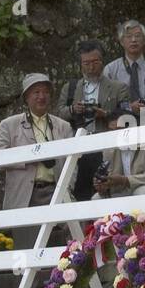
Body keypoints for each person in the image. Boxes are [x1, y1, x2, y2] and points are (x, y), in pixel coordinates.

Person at [0, 74, 74, 248]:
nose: (41, 96)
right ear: (26, 97)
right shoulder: (9, 124)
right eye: (36, 92)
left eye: (46, 92)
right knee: (26, 249)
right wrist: (30, 158)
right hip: (26, 193)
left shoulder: (63, 126)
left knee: (74, 237)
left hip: (57, 189)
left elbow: (73, 161)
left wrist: (69, 185)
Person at [56, 41, 127, 201]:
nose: (91, 67)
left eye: (95, 62)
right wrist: (73, 110)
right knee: (79, 188)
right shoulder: (71, 88)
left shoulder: (118, 87)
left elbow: (127, 113)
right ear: (80, 64)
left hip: (106, 141)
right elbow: (59, 114)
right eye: (86, 63)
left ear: (103, 61)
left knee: (103, 186)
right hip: (78, 141)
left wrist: (106, 114)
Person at [93, 104, 145, 198]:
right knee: (97, 198)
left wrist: (125, 180)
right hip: (124, 190)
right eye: (111, 131)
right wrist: (104, 185)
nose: (115, 135)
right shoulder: (109, 149)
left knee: (142, 192)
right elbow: (111, 177)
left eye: (119, 130)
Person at [102, 21, 145, 123]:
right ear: (121, 42)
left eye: (138, 36)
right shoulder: (111, 70)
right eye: (129, 36)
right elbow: (107, 102)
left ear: (144, 40)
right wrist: (129, 107)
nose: (133, 40)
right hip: (123, 116)